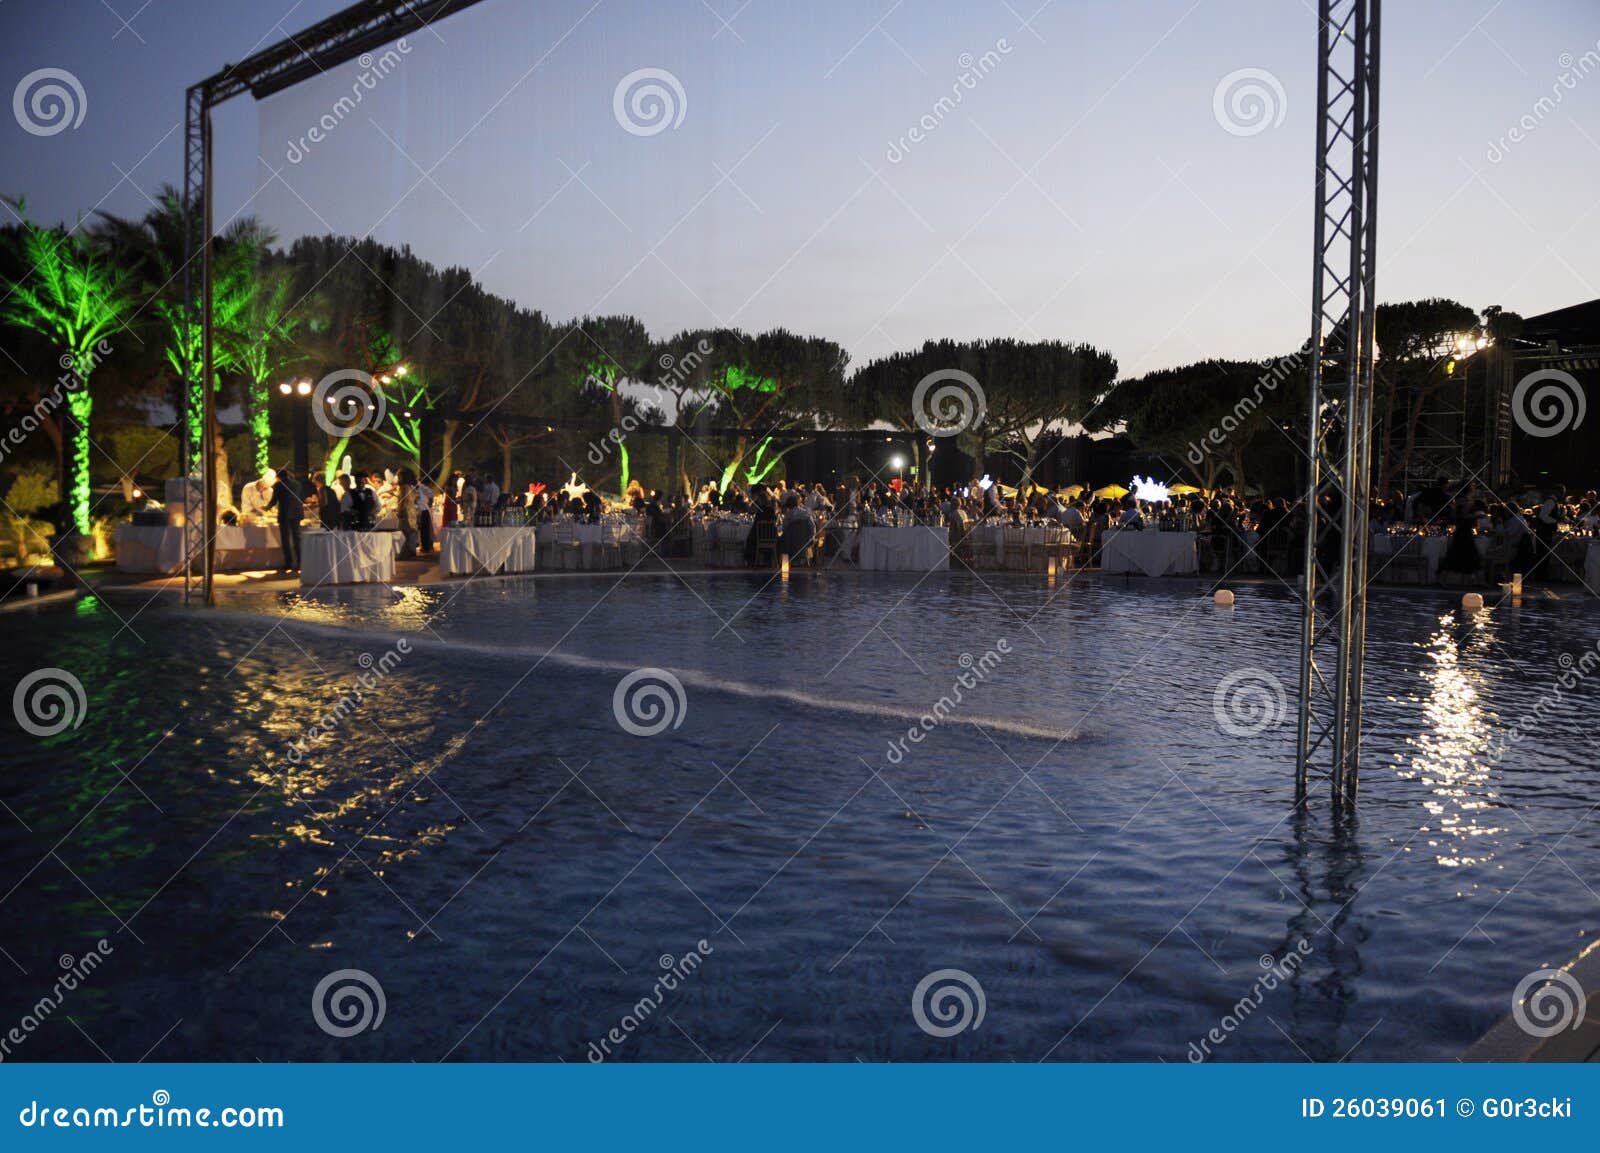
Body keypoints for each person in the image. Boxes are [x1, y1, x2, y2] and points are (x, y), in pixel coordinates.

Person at [266, 465, 306, 571]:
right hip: (297, 513)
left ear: (278, 477)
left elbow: (274, 500)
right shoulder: (298, 484)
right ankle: (300, 563)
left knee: (286, 539)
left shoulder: (279, 485)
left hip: (285, 514)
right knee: (296, 538)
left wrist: (267, 508)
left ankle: (288, 563)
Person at [415, 474, 435, 553]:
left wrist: (430, 503)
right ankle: (425, 546)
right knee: (424, 530)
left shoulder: (421, 486)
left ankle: (426, 547)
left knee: (424, 530)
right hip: (422, 510)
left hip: (423, 509)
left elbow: (431, 494)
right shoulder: (417, 487)